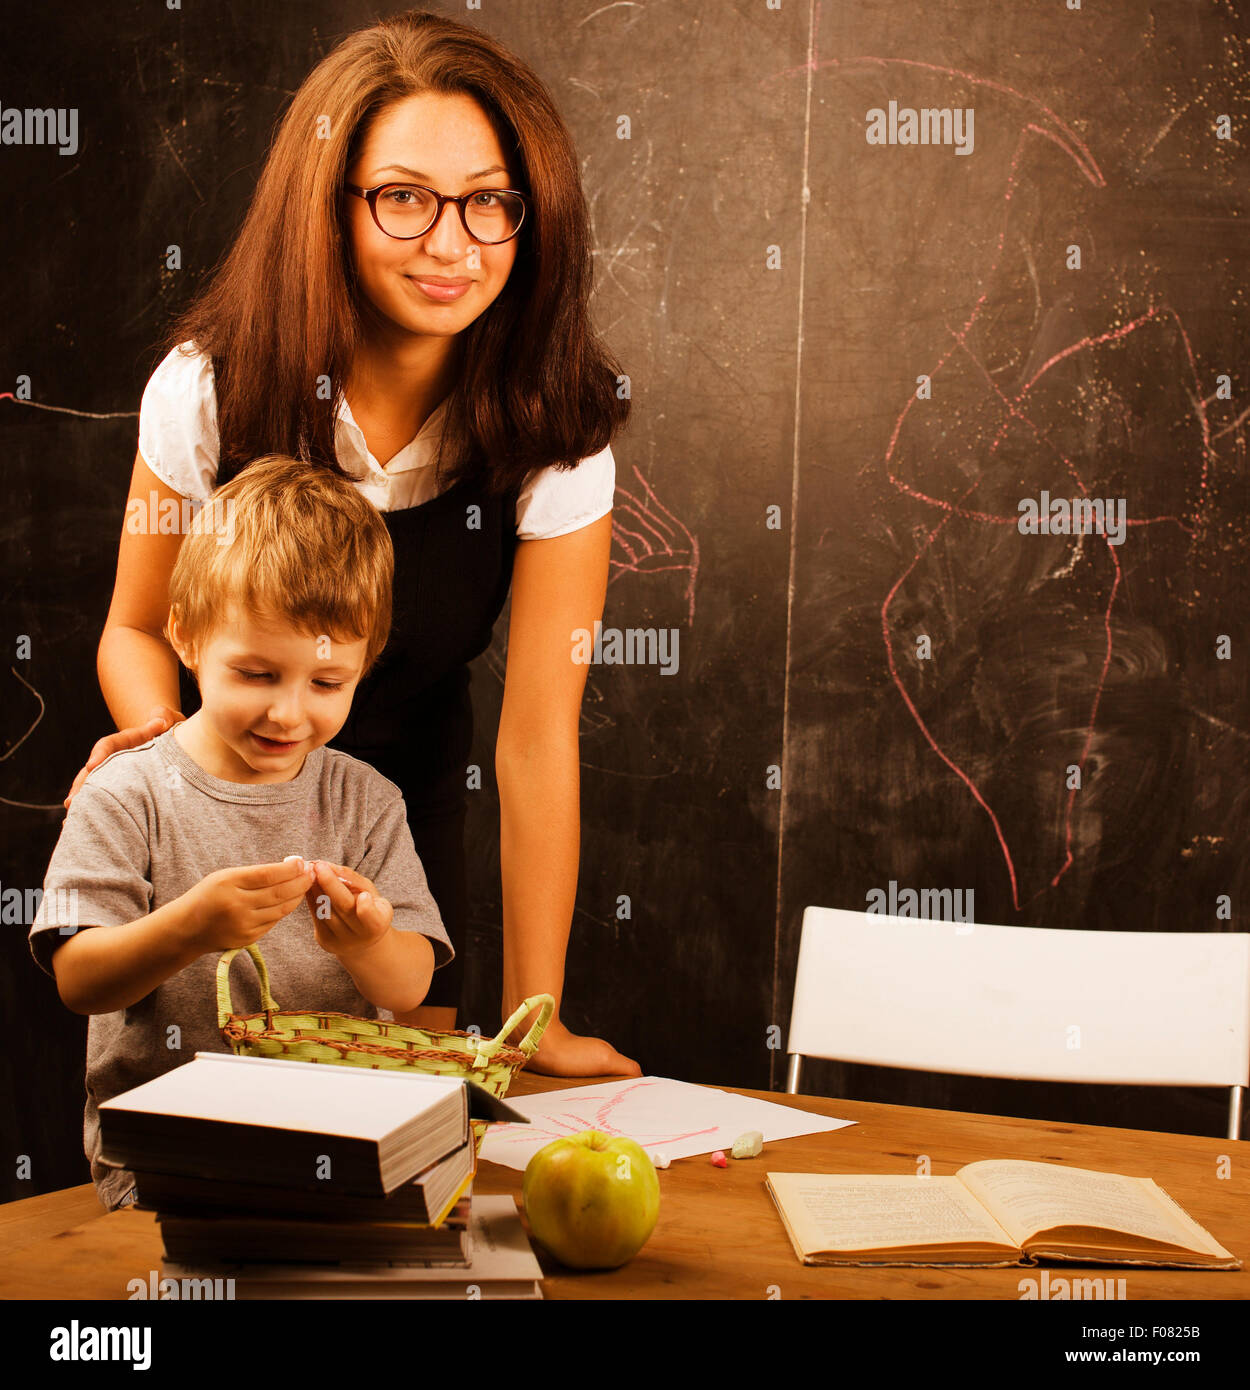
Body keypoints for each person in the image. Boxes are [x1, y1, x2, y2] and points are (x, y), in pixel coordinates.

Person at [65, 10, 640, 1078]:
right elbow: (138, 628)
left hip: (405, 833)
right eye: (405, 198)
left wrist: (534, 1014)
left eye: (488, 204)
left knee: (402, 1154)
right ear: (326, 206)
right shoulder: (206, 390)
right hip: (216, 817)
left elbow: (534, 743)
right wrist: (163, 754)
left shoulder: (554, 435)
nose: (451, 245)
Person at [30, 457, 456, 1211]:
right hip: (170, 1162)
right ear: (188, 640)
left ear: (364, 664)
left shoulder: (366, 800)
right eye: (256, 675)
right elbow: (78, 978)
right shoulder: (127, 794)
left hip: (337, 1145)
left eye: (327, 684)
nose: (290, 714)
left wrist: (367, 944)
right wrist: (190, 928)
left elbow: (411, 982)